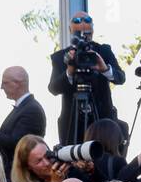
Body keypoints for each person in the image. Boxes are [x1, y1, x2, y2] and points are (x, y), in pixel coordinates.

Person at [49, 10, 125, 145]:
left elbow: (120, 78)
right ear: (70, 30)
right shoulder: (61, 57)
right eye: (77, 21)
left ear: (93, 30)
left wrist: (105, 69)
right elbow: (53, 89)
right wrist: (69, 71)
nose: (83, 23)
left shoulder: (103, 51)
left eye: (88, 21)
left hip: (103, 121)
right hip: (72, 123)